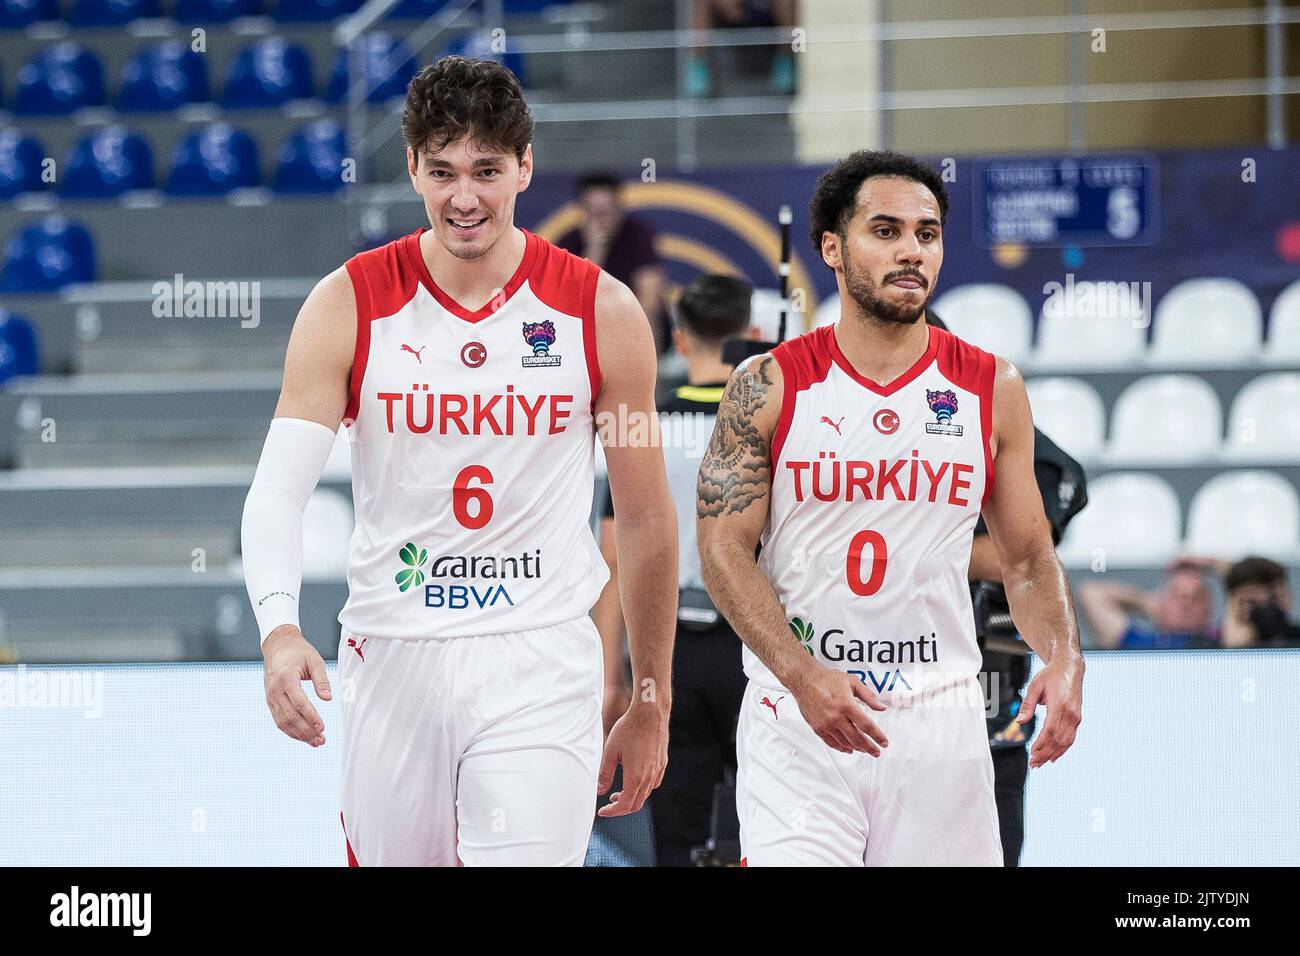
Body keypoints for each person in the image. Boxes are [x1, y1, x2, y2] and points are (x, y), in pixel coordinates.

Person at [240, 56, 678, 867]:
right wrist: (277, 627)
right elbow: (276, 490)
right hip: (392, 645)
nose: (465, 197)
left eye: (486, 170)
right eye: (441, 172)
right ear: (411, 168)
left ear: (525, 167)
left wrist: (651, 693)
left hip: (539, 652)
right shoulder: (349, 301)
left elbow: (646, 519)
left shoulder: (601, 311)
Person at [696, 149, 1084, 866]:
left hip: (939, 717)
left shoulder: (991, 386)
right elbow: (722, 550)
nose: (912, 250)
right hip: (800, 714)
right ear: (833, 249)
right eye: (886, 230)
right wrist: (800, 672)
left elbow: (1029, 558)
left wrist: (1063, 655)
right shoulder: (767, 383)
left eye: (927, 233)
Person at [595, 274, 758, 865]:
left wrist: (612, 676)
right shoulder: (774, 426)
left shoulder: (646, 427)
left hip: (667, 651)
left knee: (677, 833)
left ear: (681, 341)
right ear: (755, 336)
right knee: (770, 823)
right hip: (757, 644)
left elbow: (614, 560)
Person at [555, 173, 670, 354]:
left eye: (606, 212)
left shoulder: (638, 234)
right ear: (582, 211)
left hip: (634, 322)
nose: (601, 220)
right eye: (594, 213)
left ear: (619, 208)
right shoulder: (568, 242)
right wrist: (595, 249)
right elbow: (572, 303)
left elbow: (649, 297)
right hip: (591, 327)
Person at [1078, 559, 1215, 649]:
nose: (1186, 604)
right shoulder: (1137, 641)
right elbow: (1090, 592)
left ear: (1208, 608)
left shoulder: (1221, 641)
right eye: (1177, 596)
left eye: (1195, 597)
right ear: (1160, 600)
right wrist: (1147, 602)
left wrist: (1211, 562)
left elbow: (1236, 596)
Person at [1219, 556, 1300, 647]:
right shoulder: (1208, 649)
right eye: (1251, 601)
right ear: (1232, 605)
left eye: (1274, 597)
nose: (1264, 606)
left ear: (1288, 596)